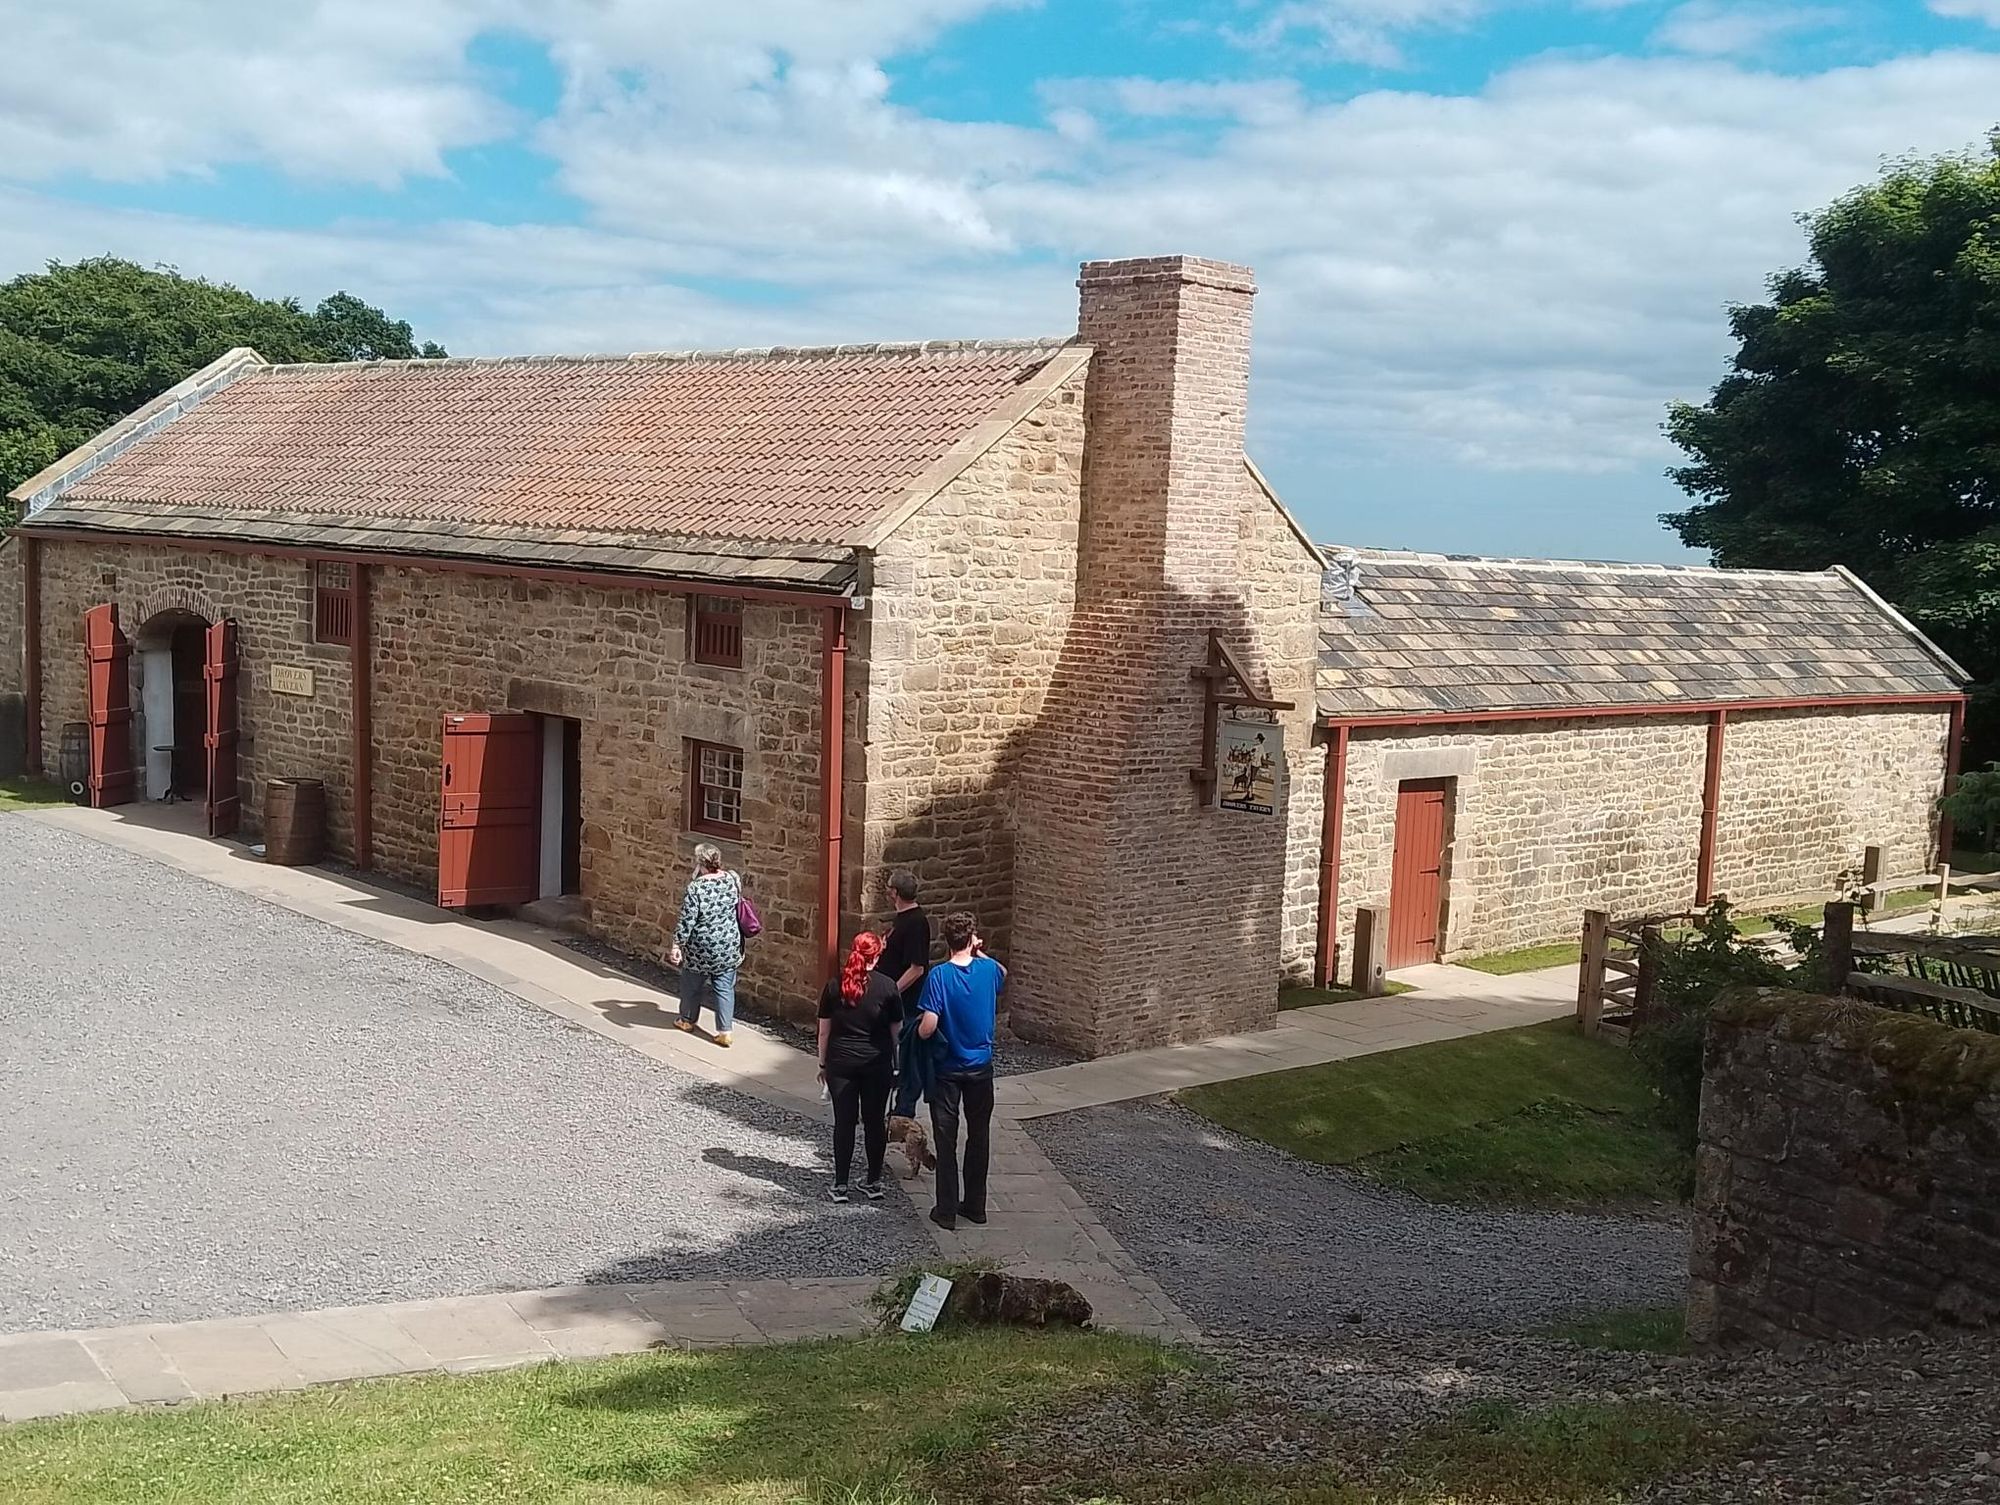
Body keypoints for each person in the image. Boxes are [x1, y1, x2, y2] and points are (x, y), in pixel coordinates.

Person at [916, 911, 1002, 1231]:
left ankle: (947, 1209)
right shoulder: (988, 969)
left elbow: (928, 1028)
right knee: (979, 1136)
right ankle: (976, 1205)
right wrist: (980, 951)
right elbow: (1002, 973)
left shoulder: (939, 976)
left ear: (946, 940)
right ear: (972, 937)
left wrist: (918, 1033)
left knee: (946, 1139)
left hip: (948, 1070)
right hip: (981, 1068)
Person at [816, 931, 903, 1202]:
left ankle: (840, 1185)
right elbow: (896, 1030)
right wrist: (895, 1061)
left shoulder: (834, 985)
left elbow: (824, 1032)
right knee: (875, 1122)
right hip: (876, 1063)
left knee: (845, 1122)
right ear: (876, 956)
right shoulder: (888, 987)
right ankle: (873, 1181)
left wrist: (822, 1063)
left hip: (841, 1063)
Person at [669, 843, 742, 1047]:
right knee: (724, 987)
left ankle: (687, 1020)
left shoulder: (696, 888)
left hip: (701, 947)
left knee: (692, 985)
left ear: (700, 863)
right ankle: (724, 1031)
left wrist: (677, 944)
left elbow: (687, 920)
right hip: (728, 944)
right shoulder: (732, 879)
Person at [878, 870, 933, 1119]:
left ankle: (903, 1111)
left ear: (895, 893)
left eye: (889, 887)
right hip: (896, 1002)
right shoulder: (903, 919)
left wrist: (892, 991)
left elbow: (917, 968)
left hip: (907, 1004)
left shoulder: (916, 922)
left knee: (909, 1059)